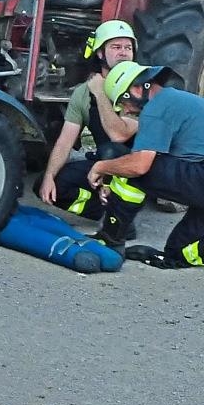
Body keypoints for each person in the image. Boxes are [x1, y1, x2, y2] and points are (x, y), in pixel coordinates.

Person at [87, 61, 204, 268]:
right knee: (179, 252)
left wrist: (101, 167)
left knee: (129, 170)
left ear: (137, 89)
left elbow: (139, 166)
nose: (126, 109)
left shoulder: (156, 108)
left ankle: (111, 239)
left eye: (123, 102)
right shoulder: (173, 99)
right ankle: (180, 256)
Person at [37, 20, 140, 232]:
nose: (123, 52)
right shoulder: (83, 93)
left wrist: (100, 93)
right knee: (49, 184)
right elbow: (65, 141)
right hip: (105, 164)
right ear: (100, 53)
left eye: (128, 48)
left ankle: (121, 221)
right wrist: (48, 177)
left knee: (111, 150)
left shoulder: (141, 87)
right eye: (116, 47)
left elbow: (120, 135)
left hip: (140, 166)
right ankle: (103, 210)